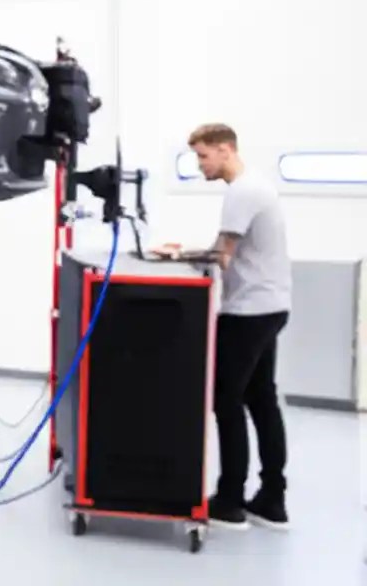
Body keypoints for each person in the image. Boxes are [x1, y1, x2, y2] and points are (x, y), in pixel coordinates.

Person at [155, 123, 292, 531]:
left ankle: (230, 499)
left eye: (203, 156)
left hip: (248, 311)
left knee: (225, 400)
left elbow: (224, 257)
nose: (200, 165)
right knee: (261, 400)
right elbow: (226, 249)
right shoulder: (256, 187)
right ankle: (272, 499)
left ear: (225, 149)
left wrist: (175, 258)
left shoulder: (242, 192)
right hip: (272, 305)